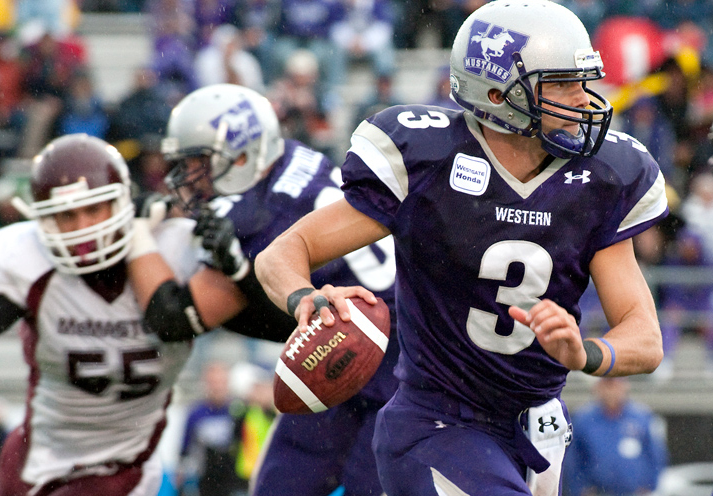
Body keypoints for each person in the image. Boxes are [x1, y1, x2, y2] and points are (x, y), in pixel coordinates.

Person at [253, 2, 667, 495]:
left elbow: (646, 339)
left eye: (582, 80)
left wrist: (588, 353)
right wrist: (309, 300)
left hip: (540, 426)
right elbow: (282, 251)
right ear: (497, 94)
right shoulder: (428, 159)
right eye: (559, 83)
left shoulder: (601, 177)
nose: (582, 98)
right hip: (438, 422)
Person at [0, 133, 242, 496]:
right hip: (37, 462)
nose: (82, 227)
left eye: (93, 209)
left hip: (127, 465)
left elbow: (261, 316)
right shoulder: (29, 260)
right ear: (43, 219)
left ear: (122, 203)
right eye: (66, 215)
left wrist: (236, 266)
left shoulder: (172, 250)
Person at [158, 83, 398, 496]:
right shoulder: (293, 161)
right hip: (344, 341)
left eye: (200, 162)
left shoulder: (256, 214)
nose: (189, 178)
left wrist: (237, 272)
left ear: (242, 156)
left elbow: (190, 317)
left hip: (386, 360)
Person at [563, 377, 668, 496]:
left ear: (625, 386)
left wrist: (650, 485)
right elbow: (573, 459)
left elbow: (656, 453)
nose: (611, 391)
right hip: (597, 492)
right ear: (598, 388)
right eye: (607, 385)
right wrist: (580, 488)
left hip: (634, 492)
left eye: (615, 385)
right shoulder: (583, 419)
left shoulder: (642, 417)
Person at [178, 362, 243, 496]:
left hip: (232, 480)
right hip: (204, 480)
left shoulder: (237, 410)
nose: (217, 387)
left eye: (221, 382)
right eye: (213, 382)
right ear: (206, 384)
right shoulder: (196, 414)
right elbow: (185, 450)